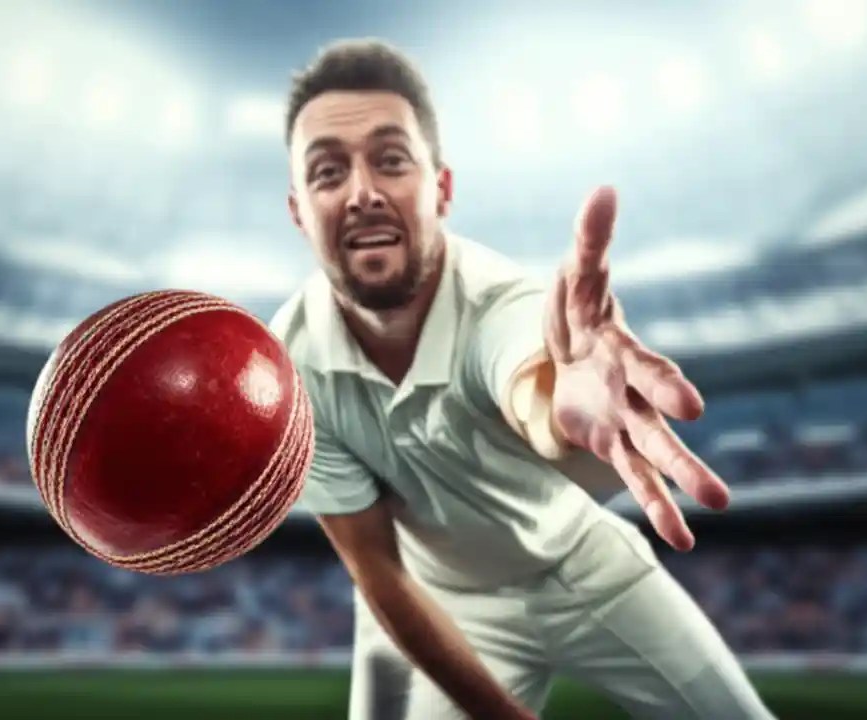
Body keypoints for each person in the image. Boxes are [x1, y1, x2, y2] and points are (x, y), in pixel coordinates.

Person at [269, 38, 775, 720]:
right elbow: (376, 570)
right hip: (438, 595)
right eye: (328, 173)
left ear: (441, 189)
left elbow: (531, 375)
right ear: (299, 211)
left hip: (587, 570)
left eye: (391, 161)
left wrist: (567, 396)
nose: (362, 193)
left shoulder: (499, 301)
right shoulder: (288, 363)